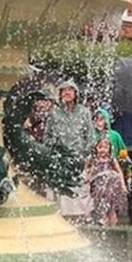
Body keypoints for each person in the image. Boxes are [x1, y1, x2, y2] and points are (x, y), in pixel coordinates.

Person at [44, 80, 96, 220]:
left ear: (75, 93)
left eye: (70, 90)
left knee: (79, 197)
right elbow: (46, 136)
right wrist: (53, 149)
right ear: (60, 94)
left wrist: (84, 155)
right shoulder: (54, 113)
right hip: (59, 160)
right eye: (63, 90)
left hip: (78, 160)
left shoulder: (84, 112)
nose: (67, 93)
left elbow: (90, 137)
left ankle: (81, 227)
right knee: (60, 198)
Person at [86, 137, 125, 226]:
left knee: (111, 208)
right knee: (100, 206)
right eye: (100, 147)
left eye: (105, 147)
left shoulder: (111, 159)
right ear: (96, 148)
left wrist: (123, 185)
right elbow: (90, 171)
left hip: (110, 188)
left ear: (110, 149)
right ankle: (104, 222)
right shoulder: (95, 160)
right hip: (99, 187)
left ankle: (113, 226)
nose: (102, 150)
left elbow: (119, 172)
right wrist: (88, 178)